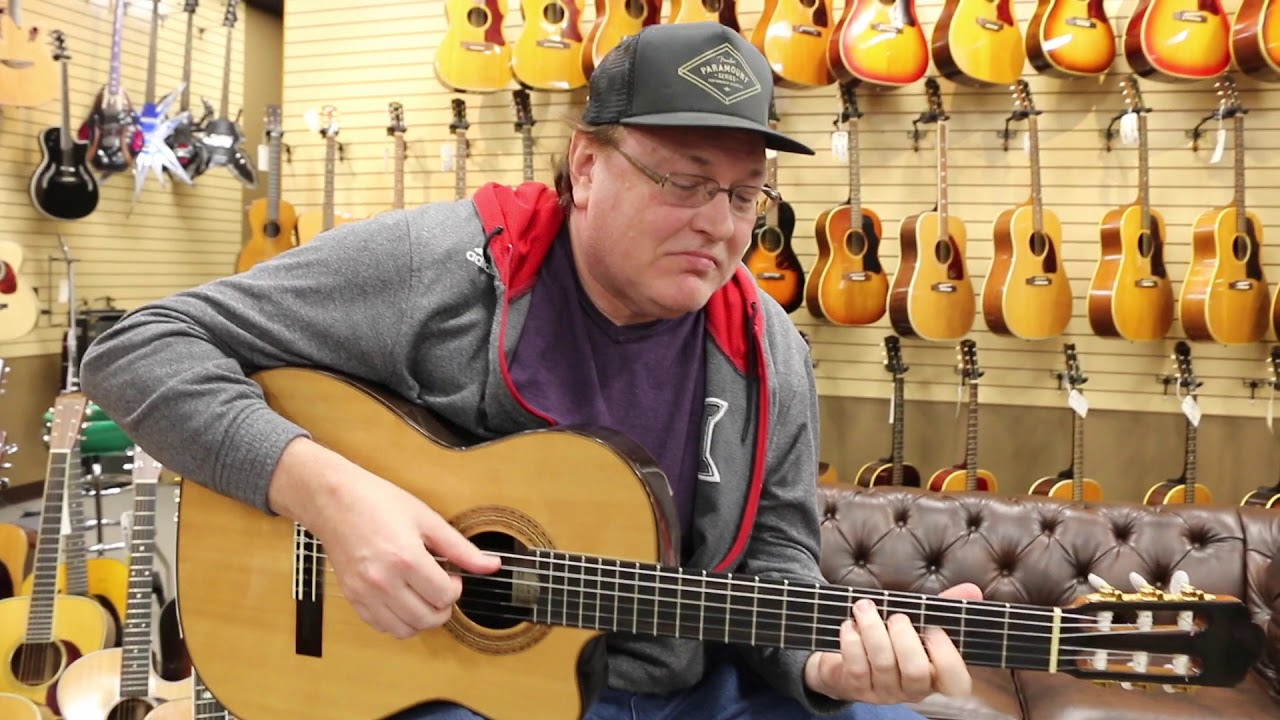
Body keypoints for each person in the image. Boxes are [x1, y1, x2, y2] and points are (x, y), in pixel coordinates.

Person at [80, 21, 980, 720]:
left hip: (685, 687)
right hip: (446, 684)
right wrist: (330, 496)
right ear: (587, 164)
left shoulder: (767, 345)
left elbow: (776, 558)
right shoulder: (441, 267)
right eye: (685, 182)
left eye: (746, 196)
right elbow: (136, 346)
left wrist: (819, 661)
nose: (721, 225)